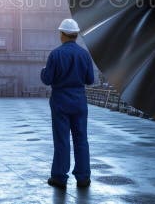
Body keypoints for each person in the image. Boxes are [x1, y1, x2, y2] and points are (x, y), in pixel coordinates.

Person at [40, 18, 94, 189]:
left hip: (60, 101)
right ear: (76, 35)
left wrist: (43, 71)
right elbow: (90, 79)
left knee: (62, 140)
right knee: (81, 139)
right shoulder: (84, 55)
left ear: (62, 34)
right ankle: (83, 178)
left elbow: (47, 79)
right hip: (79, 101)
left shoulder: (55, 54)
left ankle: (59, 178)